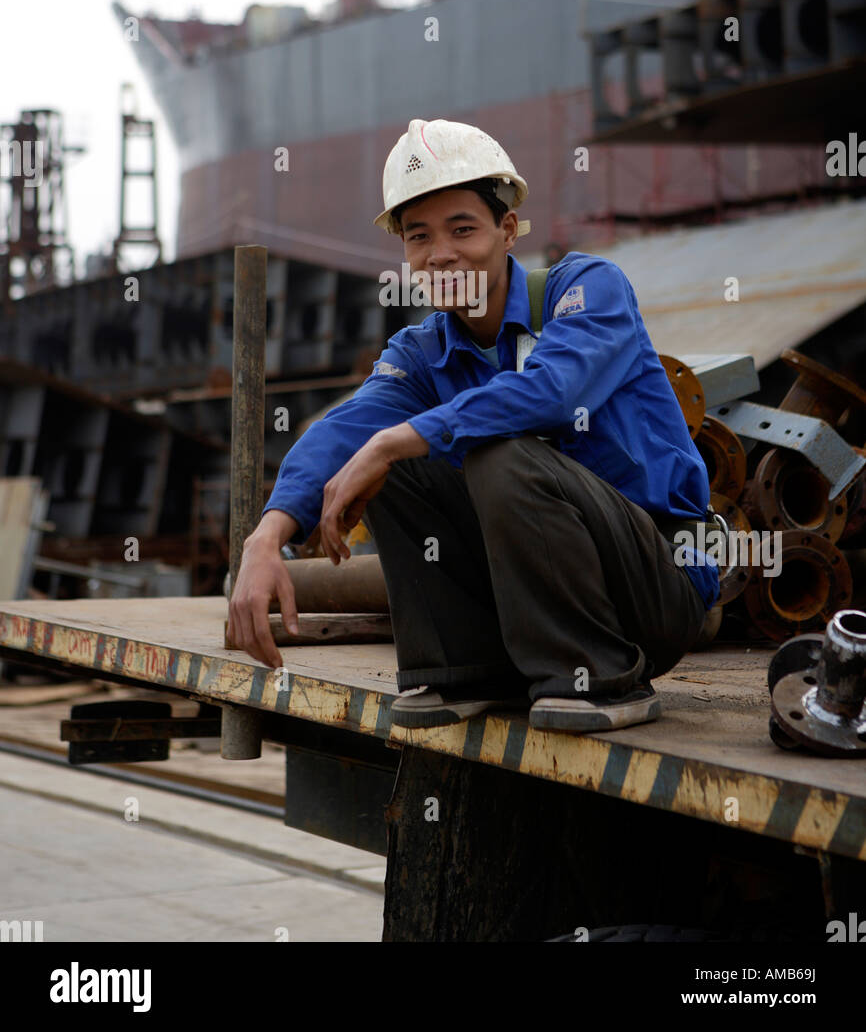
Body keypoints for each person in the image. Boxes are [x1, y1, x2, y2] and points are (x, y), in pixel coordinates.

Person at [229, 118, 719, 733]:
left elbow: (551, 392)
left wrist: (396, 439)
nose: (441, 254)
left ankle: (600, 677)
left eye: (463, 228)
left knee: (484, 450)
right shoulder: (421, 351)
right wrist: (267, 537)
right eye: (418, 237)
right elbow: (344, 431)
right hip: (522, 594)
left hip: (653, 586)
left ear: (507, 230)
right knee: (389, 466)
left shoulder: (586, 290)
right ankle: (465, 669)